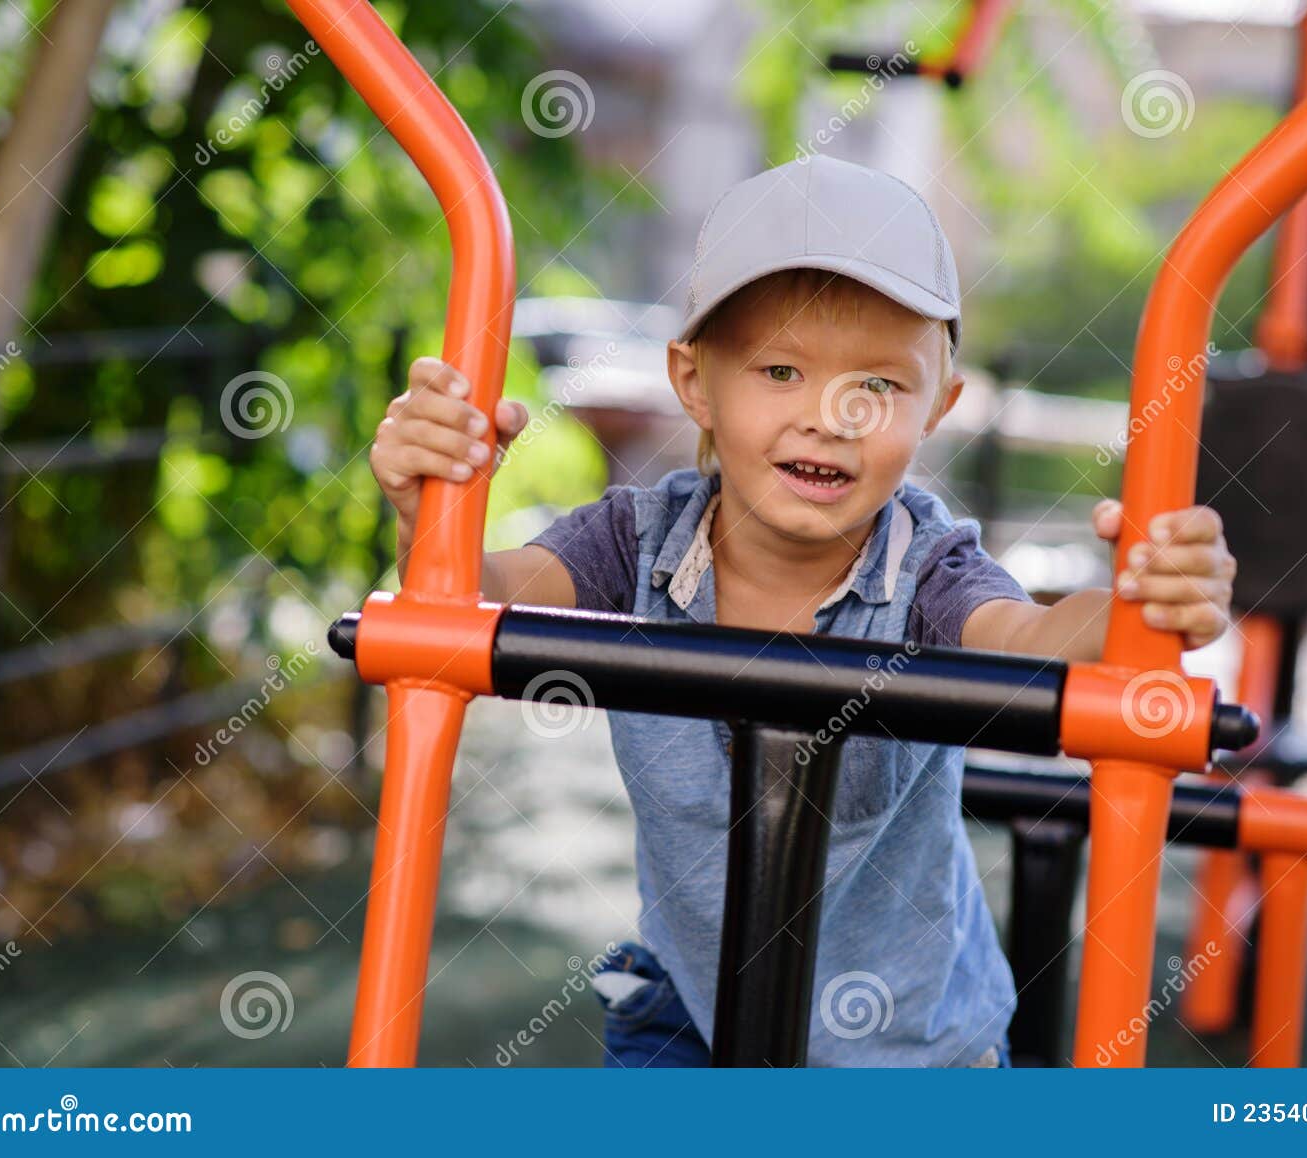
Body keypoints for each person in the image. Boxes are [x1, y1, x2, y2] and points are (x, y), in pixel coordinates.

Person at [370, 155, 1236, 1067]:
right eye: (780, 369)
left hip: (912, 1049)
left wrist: (1144, 599)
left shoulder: (928, 568)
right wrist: (432, 509)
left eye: (879, 386)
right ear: (695, 380)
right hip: (691, 1011)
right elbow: (475, 593)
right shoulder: (634, 541)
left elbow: (1028, 644)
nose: (830, 417)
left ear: (937, 404)